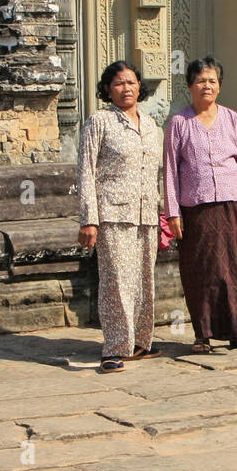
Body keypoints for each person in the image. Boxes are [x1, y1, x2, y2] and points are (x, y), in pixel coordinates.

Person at [164, 56, 237, 353]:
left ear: (219, 86)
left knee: (233, 270)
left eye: (212, 81)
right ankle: (202, 335)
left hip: (230, 205)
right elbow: (169, 170)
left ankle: (236, 331)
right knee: (200, 271)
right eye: (201, 80)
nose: (207, 86)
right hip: (195, 208)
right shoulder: (179, 123)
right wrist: (173, 213)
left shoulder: (232, 118)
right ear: (190, 86)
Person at [76, 61, 164, 372]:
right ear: (107, 90)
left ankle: (139, 343)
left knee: (143, 281)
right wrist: (89, 218)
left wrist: (164, 212)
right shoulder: (99, 122)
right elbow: (86, 171)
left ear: (140, 86)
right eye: (118, 84)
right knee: (116, 282)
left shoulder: (152, 125)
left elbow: (158, 173)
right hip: (112, 213)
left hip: (146, 215)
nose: (126, 88)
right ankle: (113, 347)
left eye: (131, 82)